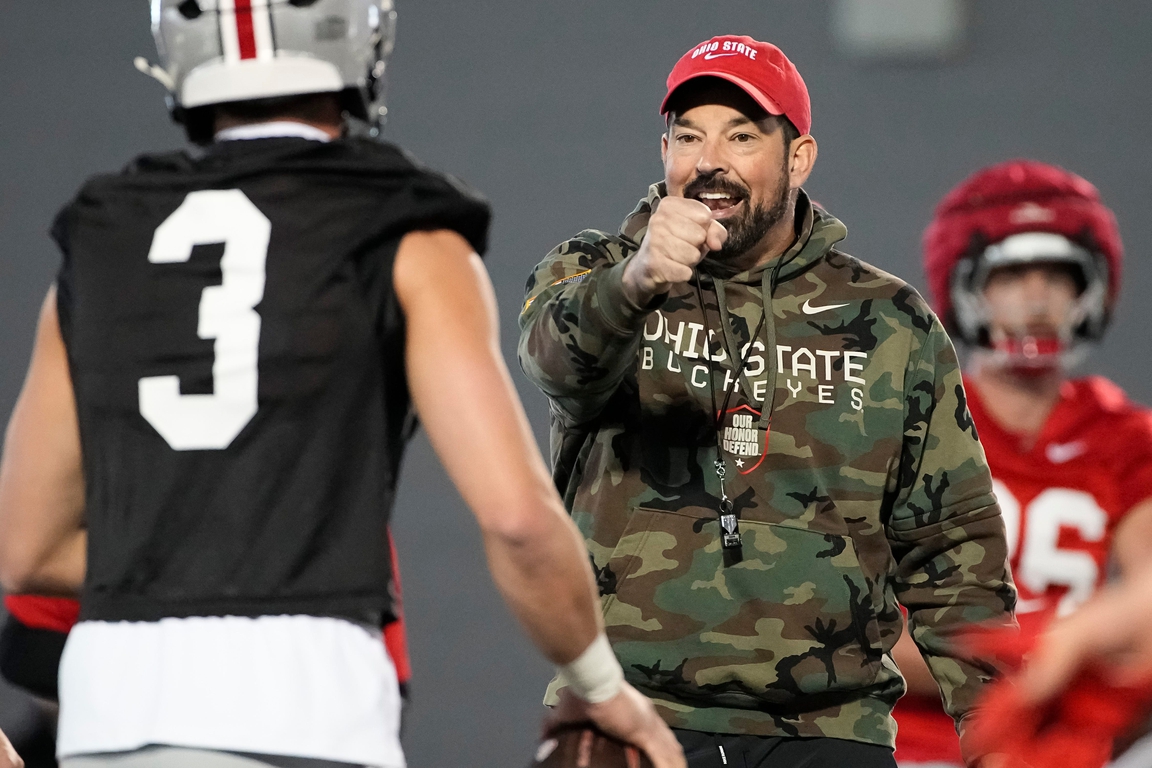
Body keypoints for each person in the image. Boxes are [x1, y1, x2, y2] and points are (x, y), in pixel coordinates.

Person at [0, 2, 684, 767]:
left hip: (112, 713)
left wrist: (183, 558)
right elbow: (518, 521)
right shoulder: (405, 232)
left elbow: (28, 549)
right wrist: (599, 685)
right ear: (359, 35)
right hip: (306, 704)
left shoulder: (100, 242)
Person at [518, 34, 1015, 768]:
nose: (709, 161)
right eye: (689, 136)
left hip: (829, 731)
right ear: (665, 151)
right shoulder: (597, 270)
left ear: (798, 158)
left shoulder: (889, 321)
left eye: (741, 136)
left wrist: (1000, 738)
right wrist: (637, 281)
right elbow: (555, 364)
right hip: (630, 715)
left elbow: (956, 548)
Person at [892, 160, 1152, 767]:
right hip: (918, 742)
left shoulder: (1121, 435)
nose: (1036, 297)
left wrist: (1076, 641)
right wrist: (1029, 661)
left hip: (1069, 739)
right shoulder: (904, 423)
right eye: (1010, 276)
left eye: (1058, 275)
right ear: (965, 286)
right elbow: (844, 626)